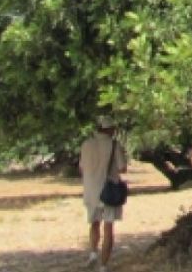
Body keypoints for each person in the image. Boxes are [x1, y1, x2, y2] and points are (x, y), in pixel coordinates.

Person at [80, 115, 127, 271]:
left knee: (94, 223)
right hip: (109, 192)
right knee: (108, 228)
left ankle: (93, 252)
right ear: (111, 130)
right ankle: (103, 265)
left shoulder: (86, 145)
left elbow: (81, 167)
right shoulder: (114, 145)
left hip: (91, 191)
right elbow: (122, 168)